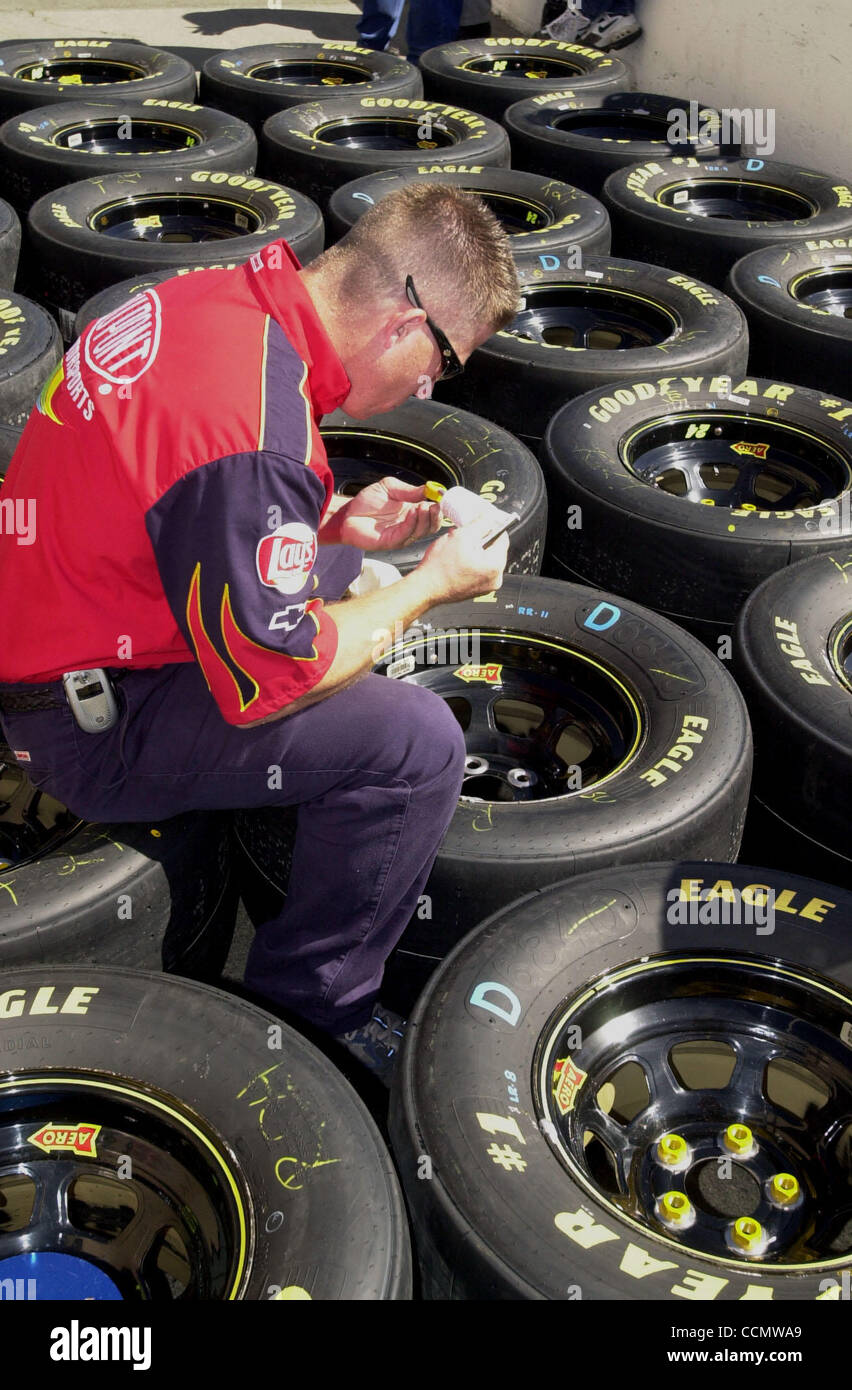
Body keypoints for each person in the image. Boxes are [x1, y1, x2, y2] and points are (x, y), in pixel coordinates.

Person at [0, 184, 519, 1083]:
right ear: (404, 320)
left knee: (350, 578)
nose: (428, 388)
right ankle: (314, 1005)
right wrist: (433, 587)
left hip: (78, 606)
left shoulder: (216, 295)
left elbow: (177, 488)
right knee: (419, 744)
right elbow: (270, 679)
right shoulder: (256, 439)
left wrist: (332, 520)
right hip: (82, 723)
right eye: (443, 364)